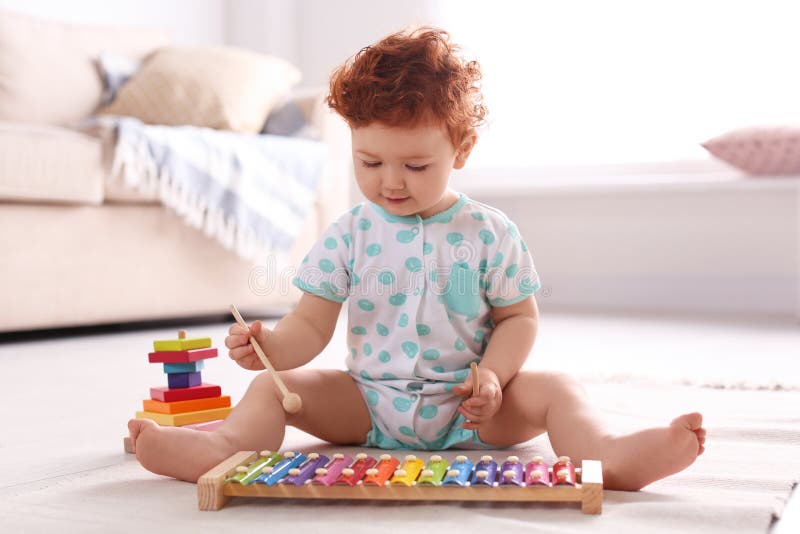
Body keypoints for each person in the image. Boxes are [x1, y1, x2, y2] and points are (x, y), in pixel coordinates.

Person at [128, 27, 706, 490]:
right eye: (369, 162)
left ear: (461, 149)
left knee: (556, 389)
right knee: (269, 392)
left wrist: (495, 379)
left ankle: (607, 453)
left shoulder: (488, 231)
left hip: (472, 407)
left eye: (416, 165)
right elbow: (310, 322)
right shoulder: (349, 232)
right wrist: (271, 349)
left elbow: (519, 318)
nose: (391, 182)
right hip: (369, 405)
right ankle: (224, 447)